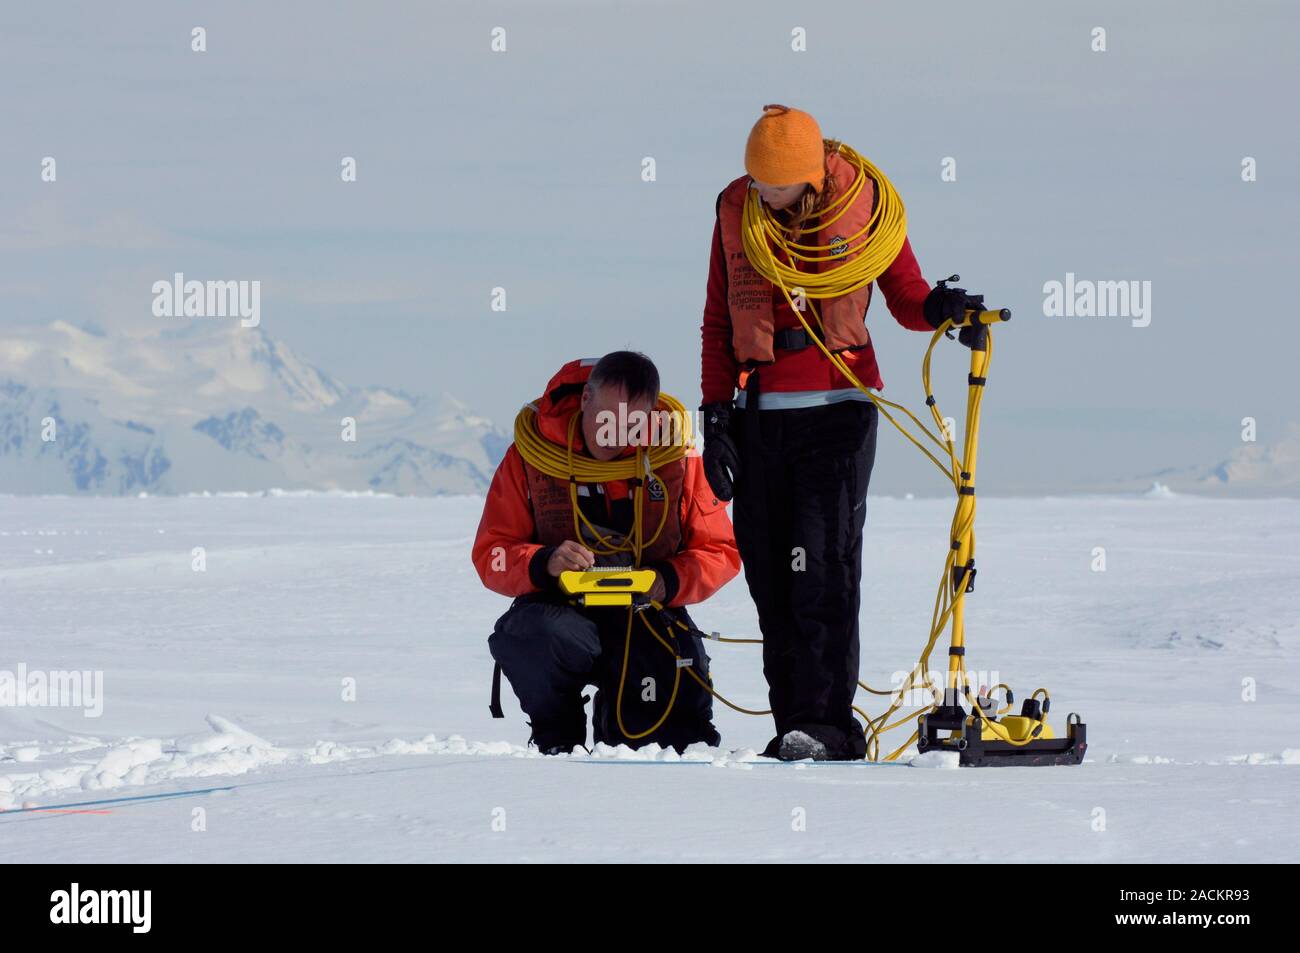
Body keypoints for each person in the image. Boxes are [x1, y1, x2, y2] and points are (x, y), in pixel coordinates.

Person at [697, 105, 985, 761]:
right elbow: (718, 322)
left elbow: (906, 296)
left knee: (820, 568)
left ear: (809, 180)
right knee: (772, 576)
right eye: (756, 188)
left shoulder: (865, 205)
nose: (763, 202)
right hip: (760, 413)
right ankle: (794, 725)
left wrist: (941, 308)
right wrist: (716, 417)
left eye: (776, 191)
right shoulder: (735, 210)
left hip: (836, 410)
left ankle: (827, 726)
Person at [472, 351, 741, 754]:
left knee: (676, 728)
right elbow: (492, 551)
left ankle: (625, 732)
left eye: (631, 425)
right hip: (560, 608)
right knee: (534, 636)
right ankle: (557, 735)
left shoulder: (678, 456)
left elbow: (717, 550)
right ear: (584, 401)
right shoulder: (531, 454)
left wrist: (666, 580)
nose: (614, 436)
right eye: (605, 420)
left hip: (646, 610)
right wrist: (544, 563)